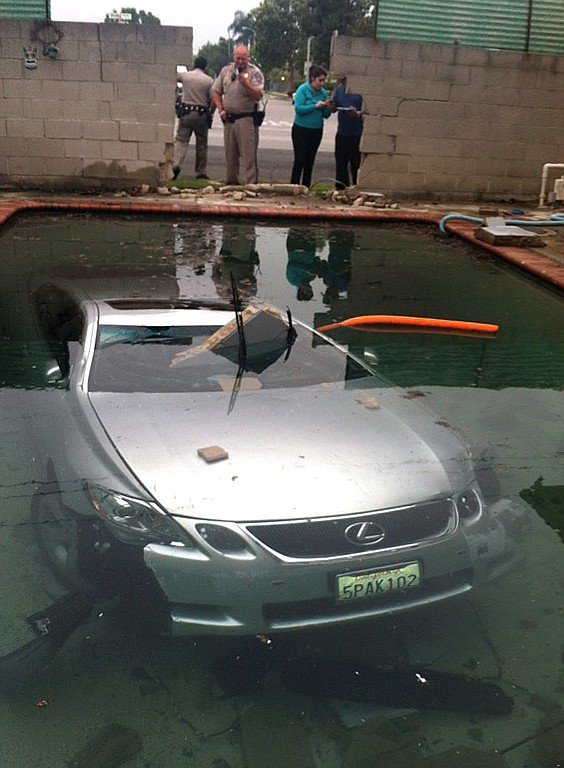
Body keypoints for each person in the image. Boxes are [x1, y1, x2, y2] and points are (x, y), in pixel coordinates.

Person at [212, 45, 265, 185]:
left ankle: (251, 185)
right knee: (230, 156)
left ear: (248, 58)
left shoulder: (254, 73)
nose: (240, 61)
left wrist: (246, 84)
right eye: (238, 58)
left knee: (249, 156)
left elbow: (258, 95)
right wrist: (220, 109)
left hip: (246, 119)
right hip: (229, 119)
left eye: (243, 59)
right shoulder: (226, 71)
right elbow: (216, 91)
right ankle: (231, 184)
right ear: (234, 57)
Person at [290, 65, 333, 189]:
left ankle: (306, 187)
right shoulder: (303, 89)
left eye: (324, 80)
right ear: (313, 78)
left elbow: (326, 115)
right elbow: (298, 109)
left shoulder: (323, 93)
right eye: (320, 80)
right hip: (301, 128)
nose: (322, 83)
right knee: (300, 159)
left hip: (316, 129)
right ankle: (294, 185)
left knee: (310, 161)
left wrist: (328, 108)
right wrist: (315, 106)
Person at [173, 56, 215, 181]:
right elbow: (213, 99)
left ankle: (175, 165)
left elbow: (173, 75)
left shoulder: (185, 76)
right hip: (201, 114)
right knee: (201, 144)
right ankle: (200, 172)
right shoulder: (209, 80)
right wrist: (210, 112)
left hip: (186, 113)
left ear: (194, 65)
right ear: (205, 67)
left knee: (181, 140)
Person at [332, 76, 363, 189]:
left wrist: (357, 114)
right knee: (341, 164)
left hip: (357, 133)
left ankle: (356, 187)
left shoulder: (360, 91)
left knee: (356, 164)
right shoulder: (340, 89)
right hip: (342, 132)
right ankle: (341, 188)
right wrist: (332, 106)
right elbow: (335, 105)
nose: (344, 84)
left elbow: (368, 110)